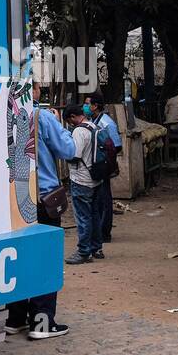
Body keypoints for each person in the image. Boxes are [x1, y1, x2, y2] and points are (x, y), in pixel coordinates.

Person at [6, 85, 74, 340]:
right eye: (36, 87)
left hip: (12, 199)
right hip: (42, 200)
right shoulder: (42, 117)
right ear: (31, 90)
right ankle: (42, 322)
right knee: (45, 259)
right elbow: (68, 150)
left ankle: (14, 317)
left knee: (18, 257)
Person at [63, 101, 102, 265]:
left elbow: (75, 155)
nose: (70, 124)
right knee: (94, 215)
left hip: (81, 178)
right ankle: (96, 248)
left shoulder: (79, 131)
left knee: (83, 217)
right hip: (96, 177)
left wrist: (63, 150)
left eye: (69, 121)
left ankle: (84, 251)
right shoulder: (94, 126)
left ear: (73, 117)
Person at [88, 92, 122, 244]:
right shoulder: (93, 121)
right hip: (96, 165)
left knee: (104, 198)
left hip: (103, 165)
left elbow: (117, 146)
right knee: (97, 198)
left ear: (95, 106)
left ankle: (105, 231)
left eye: (87, 104)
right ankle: (99, 230)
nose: (85, 106)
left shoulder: (107, 123)